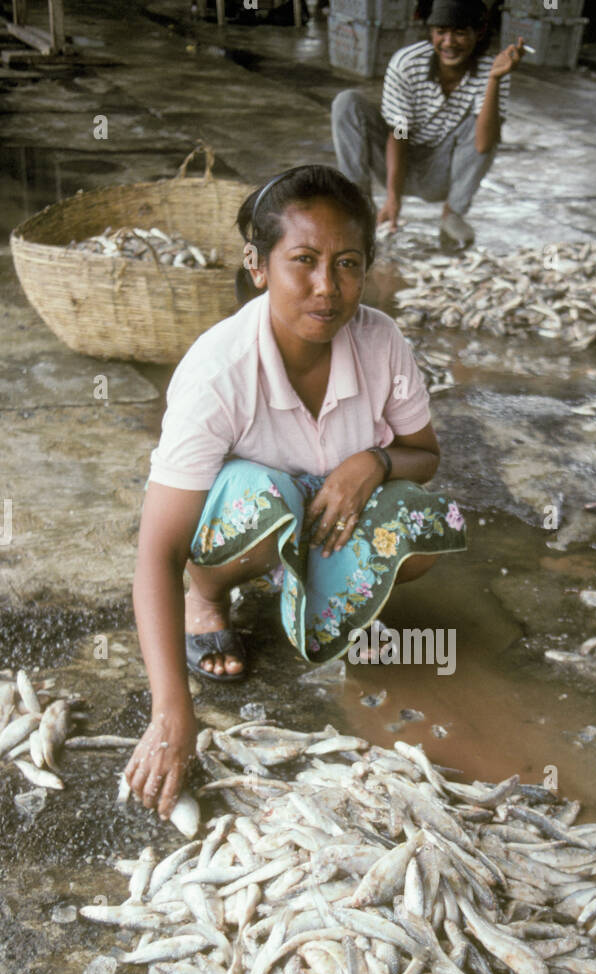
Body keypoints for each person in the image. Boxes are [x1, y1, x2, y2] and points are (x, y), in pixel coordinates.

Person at [125, 164, 466, 818]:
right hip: (244, 515)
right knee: (269, 496)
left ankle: (310, 590)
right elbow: (156, 553)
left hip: (323, 507)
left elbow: (424, 454)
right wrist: (173, 715)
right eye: (303, 261)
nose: (326, 288)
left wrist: (373, 462)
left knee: (421, 532)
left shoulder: (381, 341)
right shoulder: (217, 370)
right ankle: (211, 599)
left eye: (347, 264)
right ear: (258, 265)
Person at [331, 0, 524, 249]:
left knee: (487, 124)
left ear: (479, 33)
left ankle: (452, 214)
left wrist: (495, 79)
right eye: (440, 32)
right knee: (346, 103)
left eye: (460, 32)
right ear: (430, 32)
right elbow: (399, 132)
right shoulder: (407, 64)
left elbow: (484, 142)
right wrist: (393, 198)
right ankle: (358, 208)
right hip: (396, 163)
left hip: (442, 173)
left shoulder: (493, 69)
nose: (449, 42)